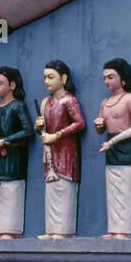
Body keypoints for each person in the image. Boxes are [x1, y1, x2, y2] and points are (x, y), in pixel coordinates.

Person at [36, 60, 86, 238]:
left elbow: (80, 123)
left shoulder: (69, 100)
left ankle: (63, 230)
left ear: (63, 78)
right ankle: (51, 229)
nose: (47, 81)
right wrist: (39, 126)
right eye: (45, 78)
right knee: (51, 191)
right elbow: (42, 130)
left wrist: (57, 135)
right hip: (50, 153)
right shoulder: (45, 102)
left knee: (64, 190)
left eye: (51, 77)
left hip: (66, 152)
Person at [95, 59, 131, 238]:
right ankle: (114, 229)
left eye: (111, 77)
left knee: (127, 189)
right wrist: (99, 125)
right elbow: (101, 129)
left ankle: (126, 229)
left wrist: (114, 141)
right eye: (104, 78)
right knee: (113, 191)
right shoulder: (105, 102)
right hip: (110, 147)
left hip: (128, 147)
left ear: (122, 78)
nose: (107, 81)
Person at [0, 65, 34, 238]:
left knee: (11, 190)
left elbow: (28, 131)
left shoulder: (17, 106)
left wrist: (4, 140)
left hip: (13, 156)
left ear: (12, 86)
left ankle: (11, 230)